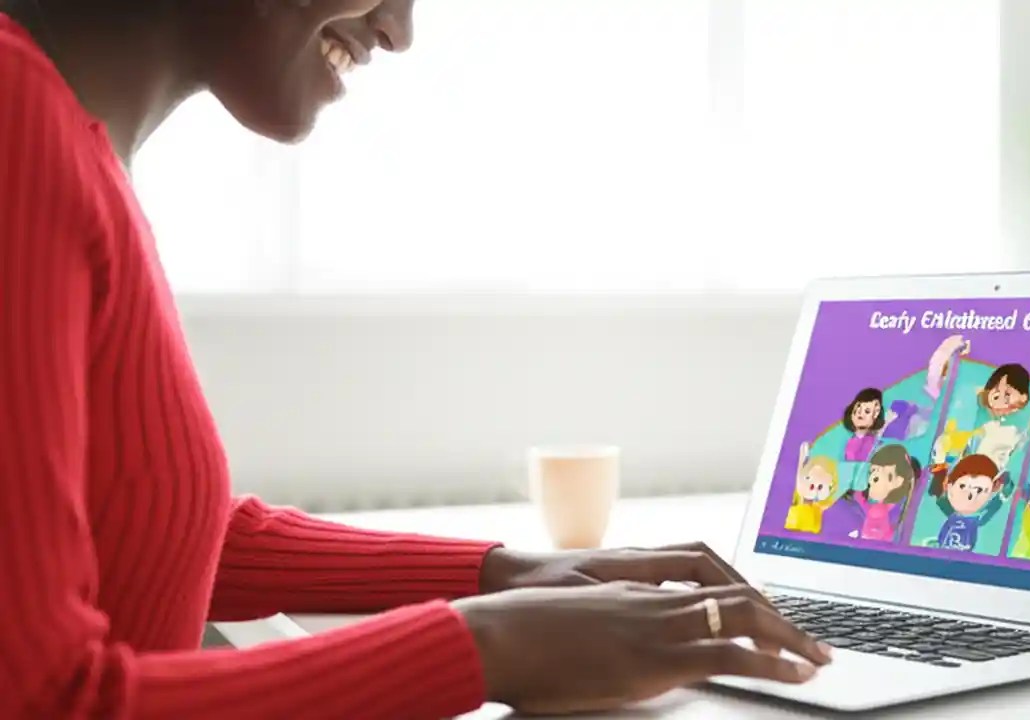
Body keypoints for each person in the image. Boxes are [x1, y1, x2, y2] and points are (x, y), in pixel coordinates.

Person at [0, 1, 831, 717]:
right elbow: (45, 700)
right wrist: (486, 647)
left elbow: (155, 527)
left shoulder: (73, 141)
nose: (398, 29)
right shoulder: (15, 122)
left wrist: (500, 575)